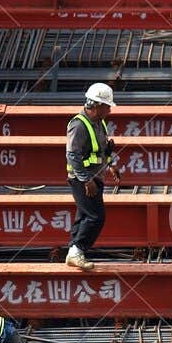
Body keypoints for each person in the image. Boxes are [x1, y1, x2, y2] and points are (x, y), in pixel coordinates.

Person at [65, 81, 117, 270]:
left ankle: (74, 252)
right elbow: (72, 155)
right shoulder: (79, 125)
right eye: (107, 106)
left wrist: (111, 164)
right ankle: (77, 251)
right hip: (83, 180)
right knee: (96, 217)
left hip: (95, 177)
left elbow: (100, 149)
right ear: (97, 105)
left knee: (84, 216)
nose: (109, 110)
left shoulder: (99, 122)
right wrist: (86, 180)